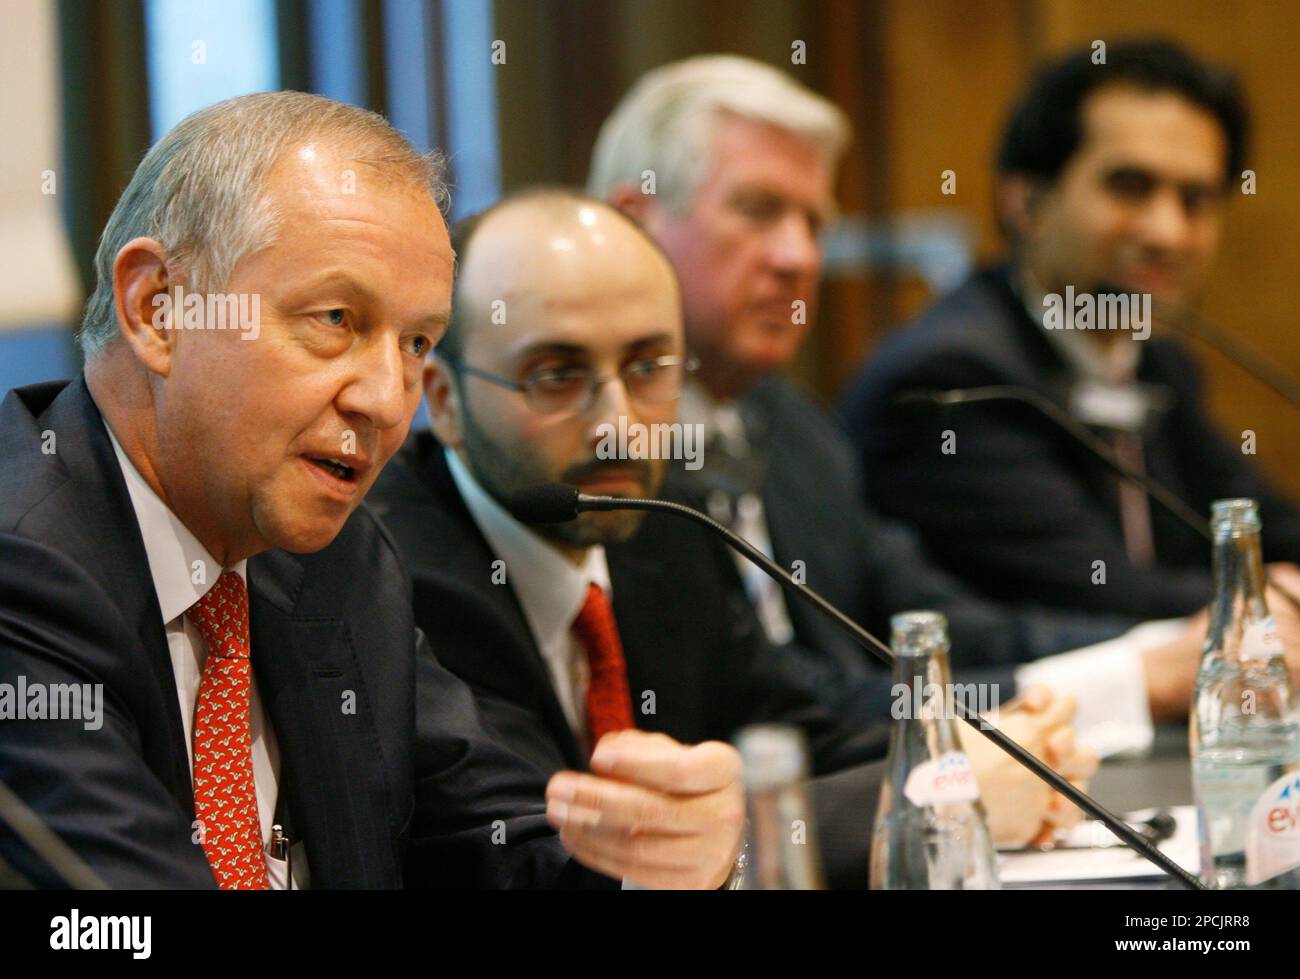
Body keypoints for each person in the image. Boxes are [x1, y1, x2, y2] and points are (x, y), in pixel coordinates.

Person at [0, 92, 742, 890]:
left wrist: (662, 860)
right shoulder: (25, 566)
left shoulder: (339, 561)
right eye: (335, 319)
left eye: (417, 342)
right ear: (157, 308)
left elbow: (499, 844)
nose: (389, 401)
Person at [368, 188, 1098, 888]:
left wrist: (977, 740)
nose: (619, 424)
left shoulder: (666, 526)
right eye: (556, 375)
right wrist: (934, 794)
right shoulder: (392, 579)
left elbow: (793, 732)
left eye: (649, 367)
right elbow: (552, 859)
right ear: (444, 401)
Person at [588, 53, 1300, 756]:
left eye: (813, 222)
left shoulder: (792, 426)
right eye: (759, 210)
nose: (797, 256)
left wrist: (1166, 654)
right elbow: (794, 700)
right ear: (635, 219)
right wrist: (1138, 675)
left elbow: (938, 623)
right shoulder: (605, 455)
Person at [838, 38, 1300, 623]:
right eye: (1131, 187)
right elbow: (1106, 597)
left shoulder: (1159, 364)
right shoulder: (950, 380)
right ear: (1027, 203)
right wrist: (1277, 599)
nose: (1168, 232)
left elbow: (1264, 529)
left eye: (1195, 199)